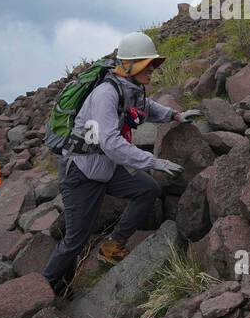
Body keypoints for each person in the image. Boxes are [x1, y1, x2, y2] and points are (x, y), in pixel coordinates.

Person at [42, 31, 199, 294]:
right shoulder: (106, 93)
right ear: (128, 65)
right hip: (81, 173)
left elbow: (145, 108)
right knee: (75, 240)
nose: (152, 69)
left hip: (105, 168)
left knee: (147, 189)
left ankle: (113, 244)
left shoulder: (130, 88)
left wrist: (176, 116)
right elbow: (111, 143)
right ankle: (44, 289)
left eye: (153, 64)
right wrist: (153, 161)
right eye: (147, 64)